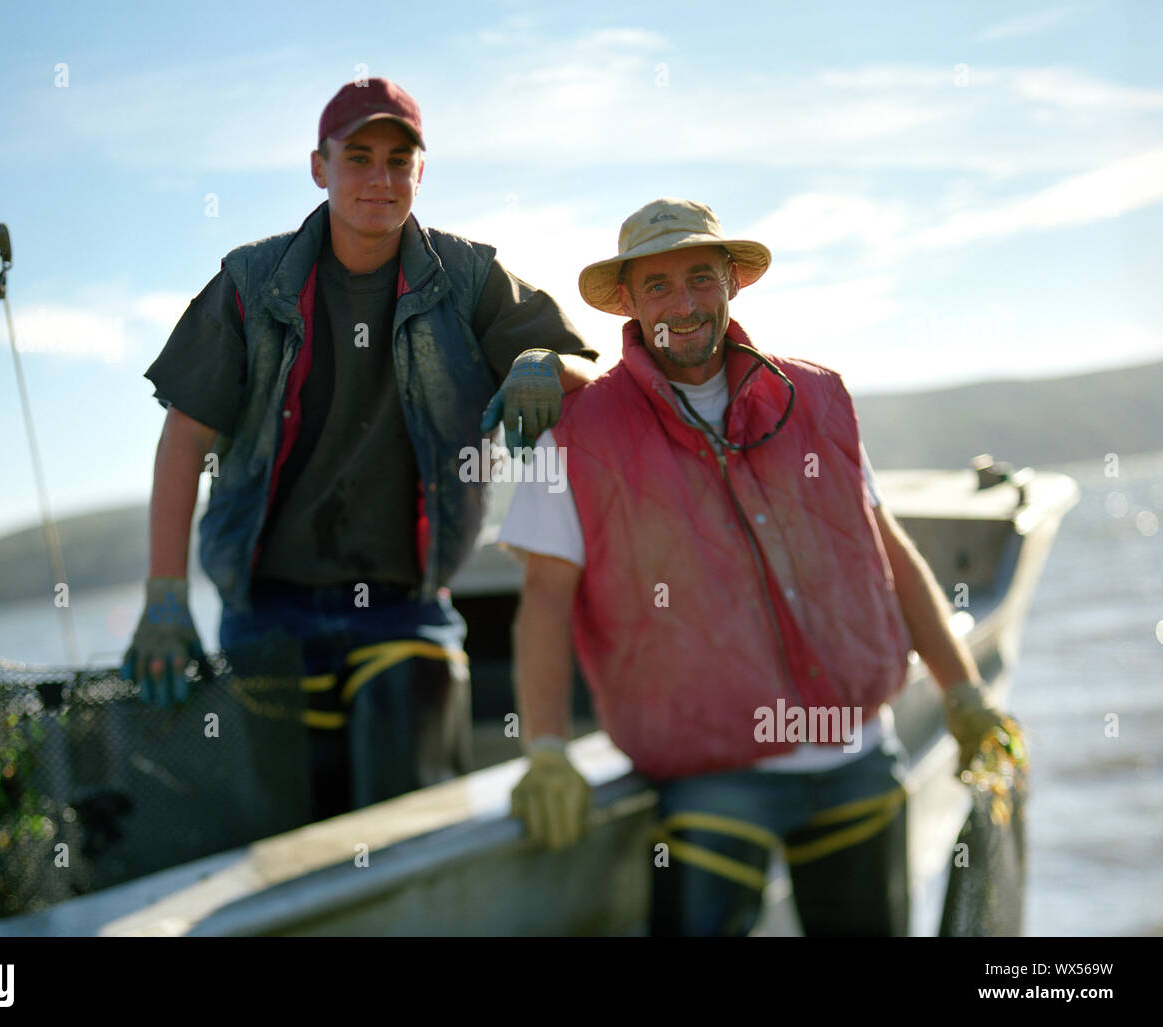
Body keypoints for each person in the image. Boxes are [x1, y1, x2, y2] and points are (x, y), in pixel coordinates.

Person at [500, 198, 1012, 936]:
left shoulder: (819, 398)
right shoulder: (576, 434)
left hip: (858, 757)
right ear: (632, 304)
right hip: (711, 784)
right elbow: (545, 602)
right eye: (658, 286)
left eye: (700, 278)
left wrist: (963, 691)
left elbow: (887, 549)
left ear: (732, 285)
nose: (683, 303)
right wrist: (545, 750)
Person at [121, 78, 597, 822]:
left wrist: (545, 363)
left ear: (420, 172)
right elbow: (185, 436)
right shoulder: (250, 281)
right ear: (320, 166)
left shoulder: (469, 277)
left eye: (398, 161)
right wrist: (163, 595)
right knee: (277, 836)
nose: (380, 179)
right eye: (359, 158)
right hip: (266, 606)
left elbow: (581, 372)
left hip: (404, 607)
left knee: (410, 810)